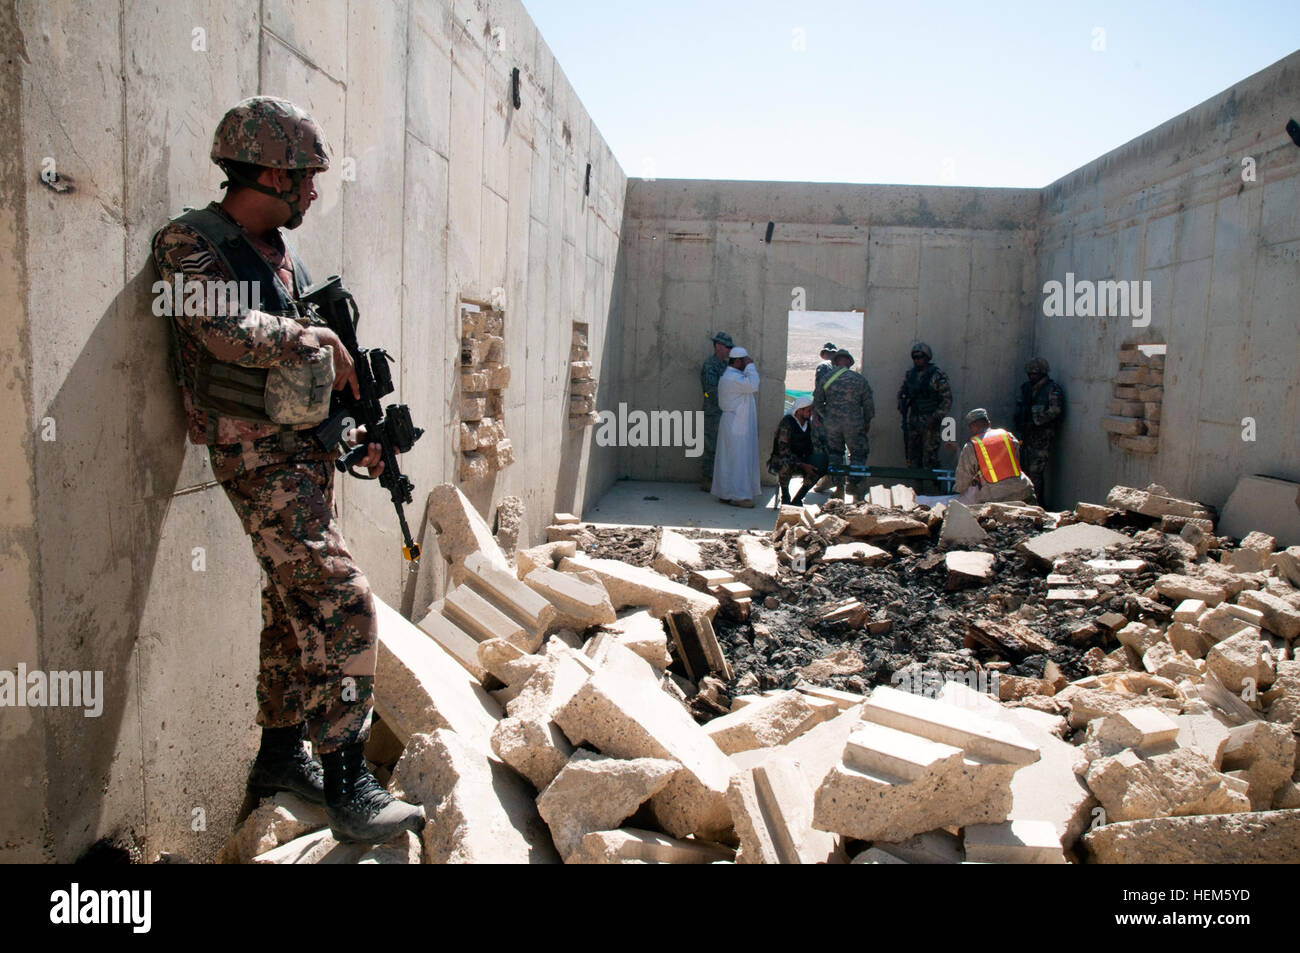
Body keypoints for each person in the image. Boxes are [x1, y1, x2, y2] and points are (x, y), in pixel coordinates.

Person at [151, 96, 424, 845]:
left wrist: (354, 436)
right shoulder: (191, 240)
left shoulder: (283, 254)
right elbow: (217, 327)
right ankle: (348, 781)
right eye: (304, 179)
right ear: (268, 171)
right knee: (346, 601)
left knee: (288, 608)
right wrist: (310, 339)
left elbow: (307, 383)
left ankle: (279, 755)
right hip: (252, 457)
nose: (311, 194)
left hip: (301, 456)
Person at [813, 349, 874, 499]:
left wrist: (826, 417)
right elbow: (868, 404)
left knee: (835, 454)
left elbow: (817, 402)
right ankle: (854, 486)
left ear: (835, 361)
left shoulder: (826, 378)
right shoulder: (859, 379)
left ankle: (839, 488)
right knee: (858, 454)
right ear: (848, 361)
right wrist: (867, 421)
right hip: (854, 424)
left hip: (832, 425)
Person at [897, 342, 952, 487]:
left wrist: (935, 417)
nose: (917, 360)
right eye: (914, 357)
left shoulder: (936, 375)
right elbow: (903, 393)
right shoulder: (911, 375)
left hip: (930, 422)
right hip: (913, 420)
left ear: (927, 358)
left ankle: (936, 490)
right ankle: (917, 490)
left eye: (920, 357)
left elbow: (946, 400)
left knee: (931, 458)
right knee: (913, 457)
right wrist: (902, 403)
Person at [954, 408, 1037, 504]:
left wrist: (957, 491)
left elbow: (962, 479)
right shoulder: (1008, 435)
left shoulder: (971, 446)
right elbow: (1016, 460)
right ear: (989, 423)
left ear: (972, 427)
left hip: (996, 498)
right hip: (1024, 491)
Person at [711, 346, 761, 507]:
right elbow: (754, 384)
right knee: (738, 459)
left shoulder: (734, 376)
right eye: (744, 361)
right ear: (738, 361)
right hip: (736, 425)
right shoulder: (732, 378)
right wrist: (751, 366)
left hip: (734, 423)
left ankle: (726, 492)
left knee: (729, 459)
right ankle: (739, 496)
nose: (747, 363)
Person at [1013, 357, 1065, 507]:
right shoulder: (1026, 389)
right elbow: (1019, 408)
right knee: (1023, 471)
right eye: (1029, 374)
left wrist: (1036, 422)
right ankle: (1024, 503)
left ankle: (1036, 505)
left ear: (1043, 373)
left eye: (1035, 374)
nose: (1031, 377)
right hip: (1026, 436)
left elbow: (1055, 410)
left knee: (1035, 472)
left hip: (1041, 437)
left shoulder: (1051, 389)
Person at [767, 396, 823, 505]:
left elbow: (812, 446)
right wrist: (802, 465)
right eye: (808, 411)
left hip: (801, 460)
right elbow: (783, 451)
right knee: (786, 464)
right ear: (799, 410)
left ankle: (798, 499)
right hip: (782, 459)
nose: (811, 413)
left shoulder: (808, 424)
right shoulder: (787, 423)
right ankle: (785, 495)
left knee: (818, 467)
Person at [699, 331, 733, 491]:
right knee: (711, 445)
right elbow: (709, 390)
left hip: (725, 412)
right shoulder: (710, 365)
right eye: (727, 347)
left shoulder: (726, 366)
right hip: (713, 412)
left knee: (723, 447)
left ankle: (718, 479)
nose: (729, 350)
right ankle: (707, 479)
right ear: (718, 346)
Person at [809, 342, 837, 493]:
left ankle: (823, 477)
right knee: (837, 449)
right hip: (840, 415)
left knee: (820, 447)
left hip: (824, 413)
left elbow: (819, 390)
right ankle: (835, 480)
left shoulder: (823, 366)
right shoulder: (842, 369)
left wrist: (816, 412)